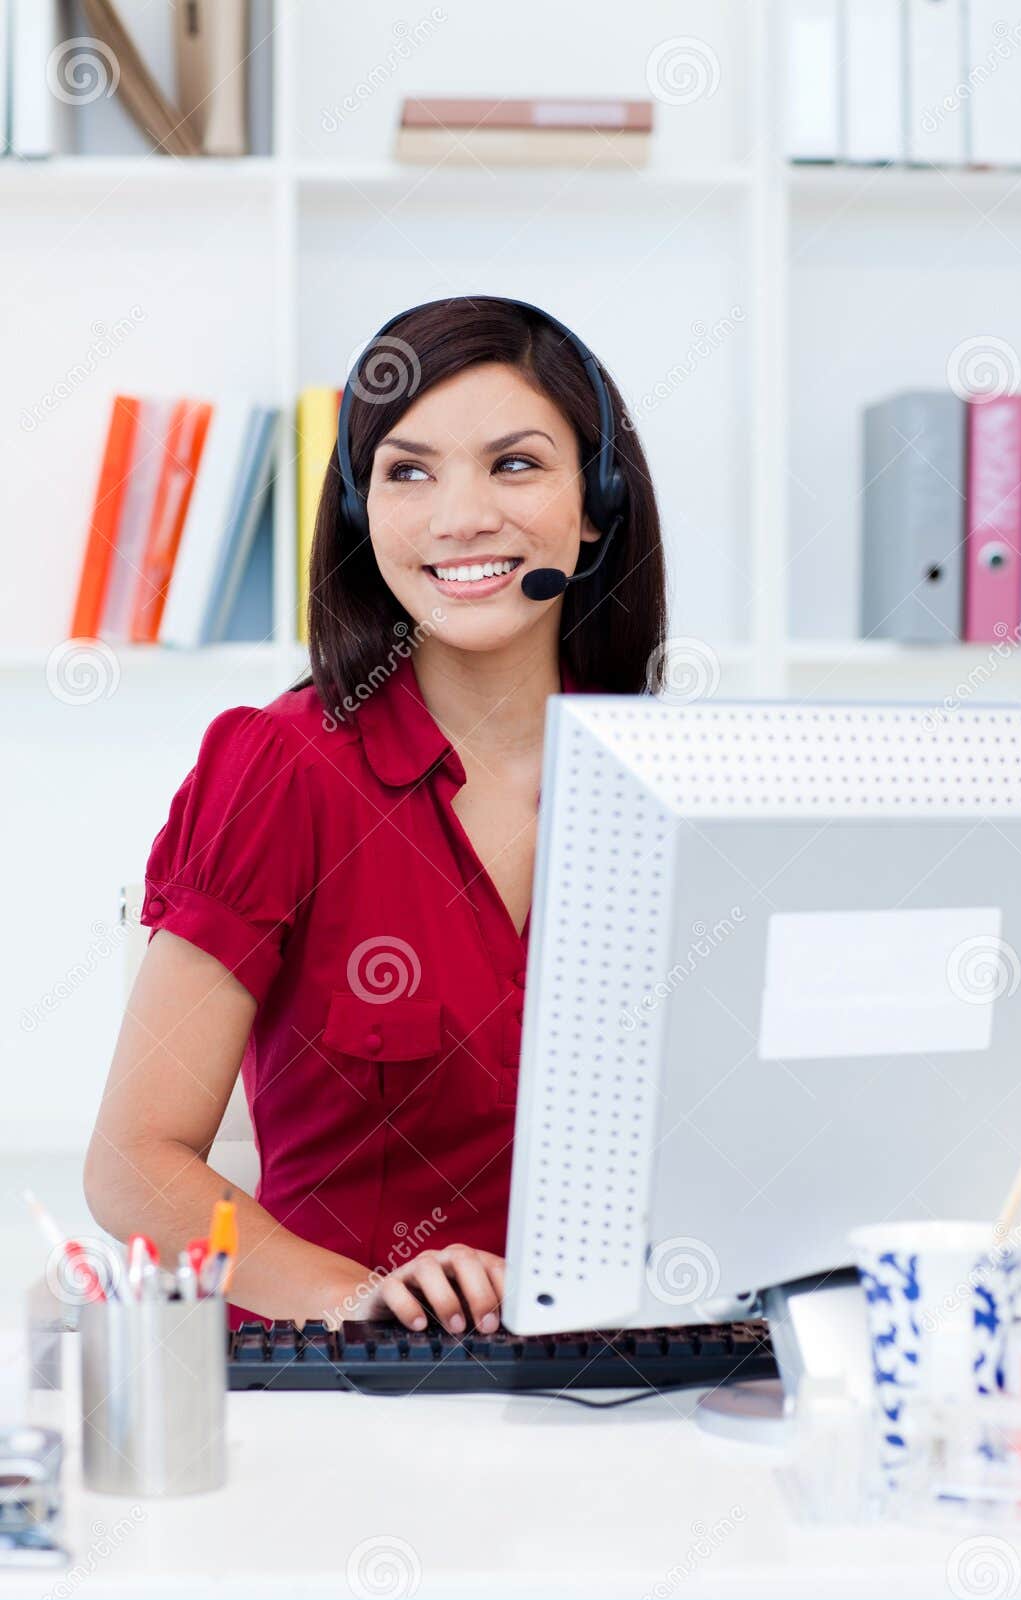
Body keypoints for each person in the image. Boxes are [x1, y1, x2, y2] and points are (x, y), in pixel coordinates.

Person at [83, 296, 667, 1334]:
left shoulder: (674, 782)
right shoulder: (282, 769)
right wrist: (357, 1297)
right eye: (408, 472)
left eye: (514, 464)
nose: (459, 518)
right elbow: (133, 1166)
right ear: (361, 514)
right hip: (354, 1384)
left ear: (597, 503)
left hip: (632, 1368)